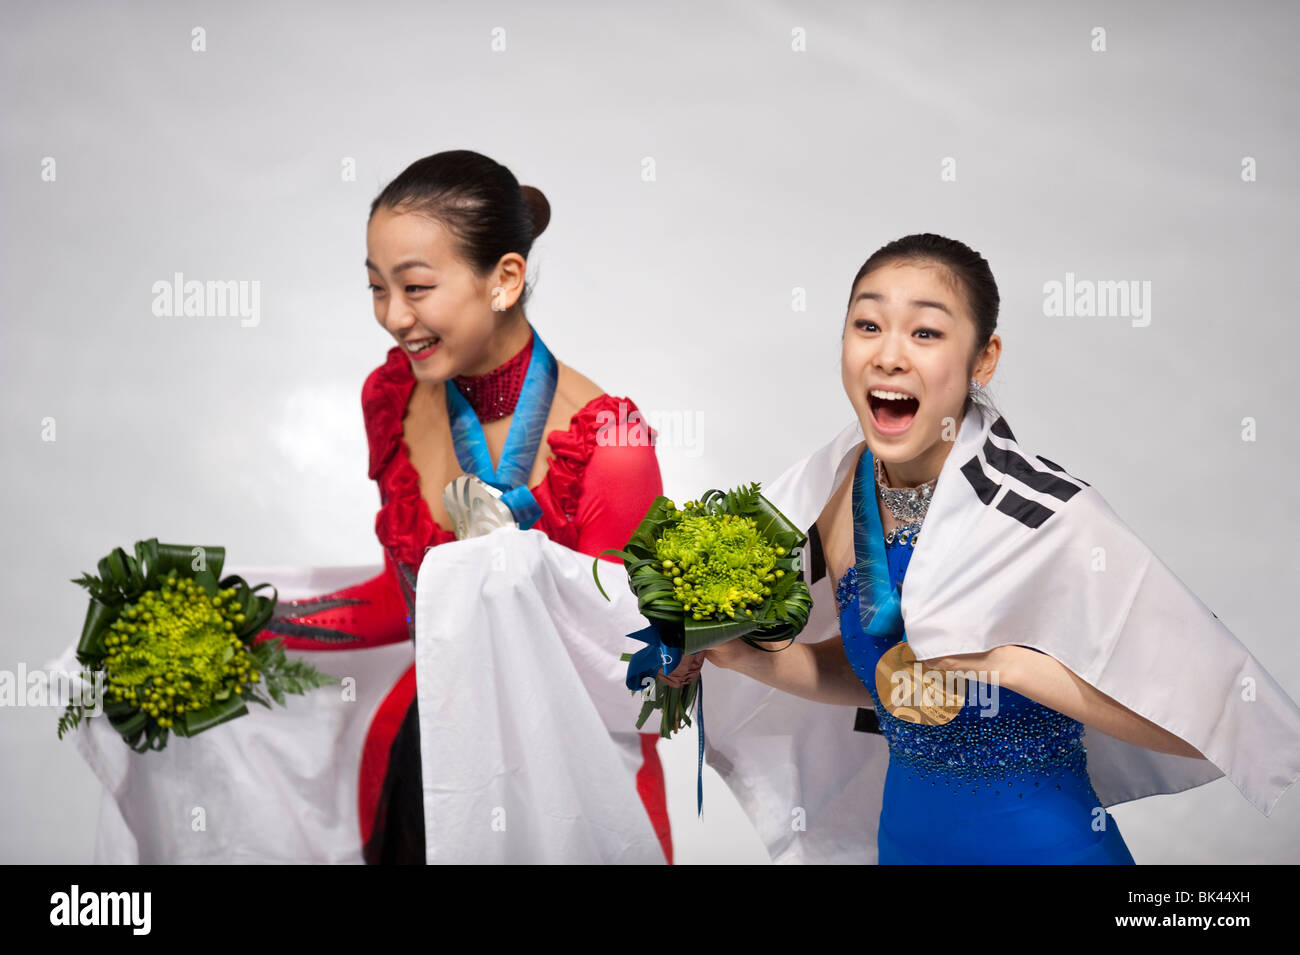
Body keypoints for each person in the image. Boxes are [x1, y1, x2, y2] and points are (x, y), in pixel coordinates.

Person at [692, 233, 1300, 863]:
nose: (889, 356)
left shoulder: (1045, 515)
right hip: (905, 846)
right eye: (868, 325)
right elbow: (876, 675)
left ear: (983, 360)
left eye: (925, 333)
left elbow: (1210, 725)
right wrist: (747, 658)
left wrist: (1012, 667)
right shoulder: (845, 490)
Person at [254, 149, 673, 864]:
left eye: (415, 287)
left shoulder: (610, 444)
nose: (393, 317)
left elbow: (642, 684)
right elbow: (411, 601)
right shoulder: (391, 399)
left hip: (569, 791)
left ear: (505, 278)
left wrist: (522, 579)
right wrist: (259, 622)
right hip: (433, 773)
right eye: (376, 288)